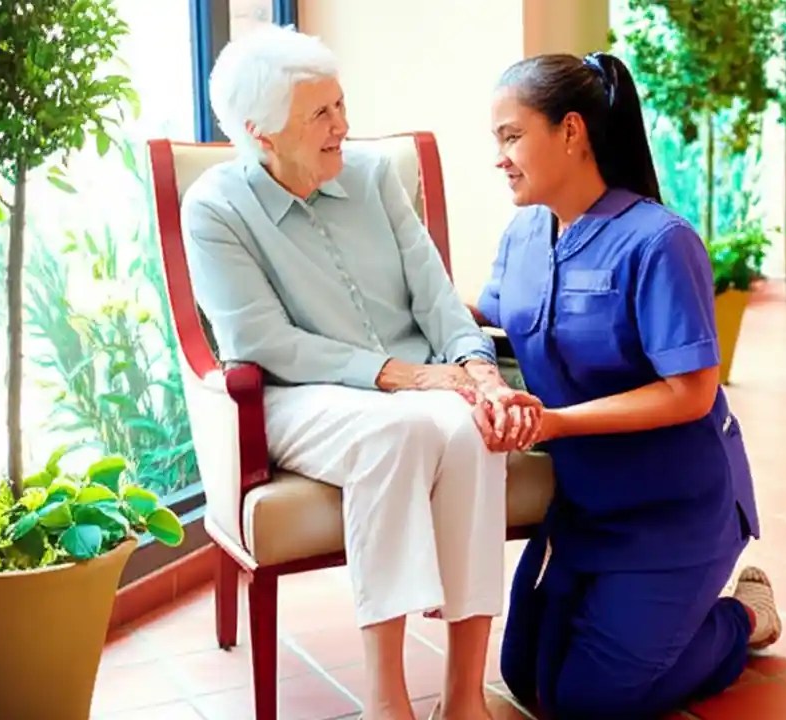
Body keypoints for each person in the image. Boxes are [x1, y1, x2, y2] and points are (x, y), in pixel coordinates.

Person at [181, 25, 538, 720]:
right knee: (399, 432)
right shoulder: (215, 208)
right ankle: (386, 698)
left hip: (420, 390)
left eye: (341, 105)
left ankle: (464, 696)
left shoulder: (374, 176)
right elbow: (262, 341)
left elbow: (438, 297)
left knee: (470, 432)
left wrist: (476, 370)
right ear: (261, 132)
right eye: (320, 114)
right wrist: (404, 375)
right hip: (299, 398)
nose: (343, 126)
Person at [473, 52, 782, 720]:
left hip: (675, 510)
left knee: (589, 702)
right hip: (586, 507)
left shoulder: (659, 241)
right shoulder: (525, 232)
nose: (499, 157)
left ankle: (741, 620)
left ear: (572, 132)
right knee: (524, 675)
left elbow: (689, 393)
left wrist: (553, 424)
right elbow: (485, 313)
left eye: (510, 136)